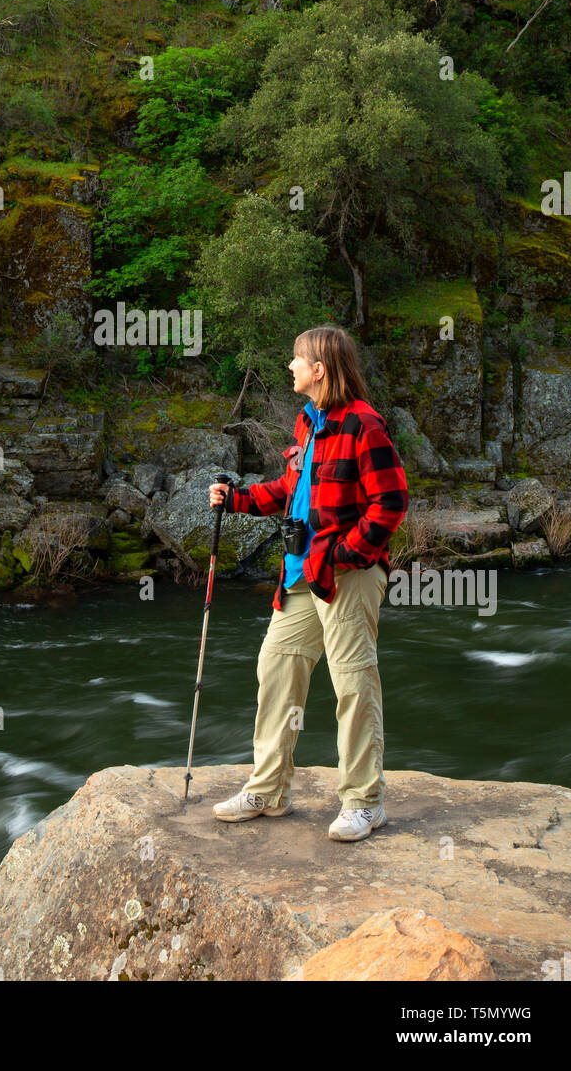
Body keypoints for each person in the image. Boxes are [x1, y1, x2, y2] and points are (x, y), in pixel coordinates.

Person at [209, 325, 408, 841]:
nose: (290, 367)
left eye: (297, 359)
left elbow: (391, 502)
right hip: (301, 572)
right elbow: (291, 489)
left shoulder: (364, 424)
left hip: (345, 573)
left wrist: (346, 553)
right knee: (276, 669)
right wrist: (239, 500)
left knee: (353, 682)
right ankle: (269, 790)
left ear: (319, 369)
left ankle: (365, 802)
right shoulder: (308, 422)